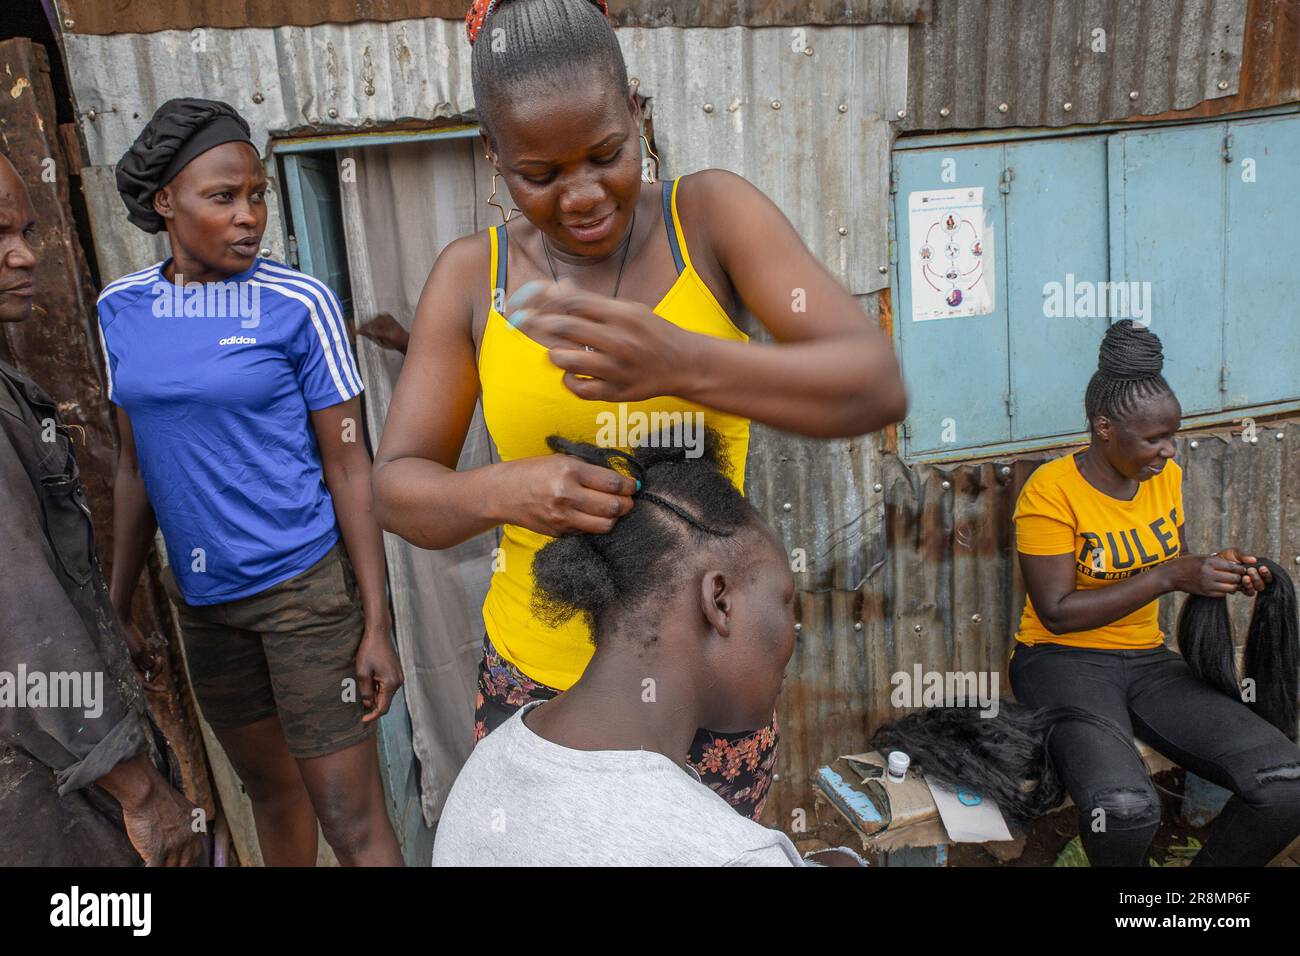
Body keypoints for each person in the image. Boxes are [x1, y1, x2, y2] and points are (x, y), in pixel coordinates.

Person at [373, 0, 907, 822]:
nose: (582, 196)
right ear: (496, 160)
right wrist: (506, 492)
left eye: (606, 155)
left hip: (706, 683)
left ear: (638, 114)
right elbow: (396, 490)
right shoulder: (469, 279)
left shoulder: (711, 220)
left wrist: (684, 360)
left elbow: (872, 384)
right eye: (540, 176)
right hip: (539, 682)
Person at [101, 98, 403, 866]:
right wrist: (118, 602)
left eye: (258, 195)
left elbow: (348, 462)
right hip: (203, 605)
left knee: (351, 820)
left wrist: (376, 621)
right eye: (224, 197)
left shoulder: (297, 305)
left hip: (304, 596)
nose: (250, 217)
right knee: (272, 795)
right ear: (166, 202)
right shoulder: (121, 310)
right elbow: (136, 468)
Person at [432, 431, 863, 865]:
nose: (793, 630)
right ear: (719, 601)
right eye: (784, 599)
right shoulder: (730, 853)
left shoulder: (489, 763)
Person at [1011, 319, 1300, 866]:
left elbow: (1170, 560)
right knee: (1123, 811)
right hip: (1059, 661)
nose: (1169, 451)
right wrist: (1171, 577)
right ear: (1103, 428)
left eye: (1173, 435)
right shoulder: (1050, 490)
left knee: (1285, 783)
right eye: (1154, 439)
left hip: (1147, 661)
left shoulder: (1161, 476)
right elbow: (1056, 613)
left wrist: (1220, 572)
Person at [0, 151, 203, 866]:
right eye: (0, 236)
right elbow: (22, 627)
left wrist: (109, 620)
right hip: (42, 796)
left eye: (25, 230)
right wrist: (140, 789)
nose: (25, 255)